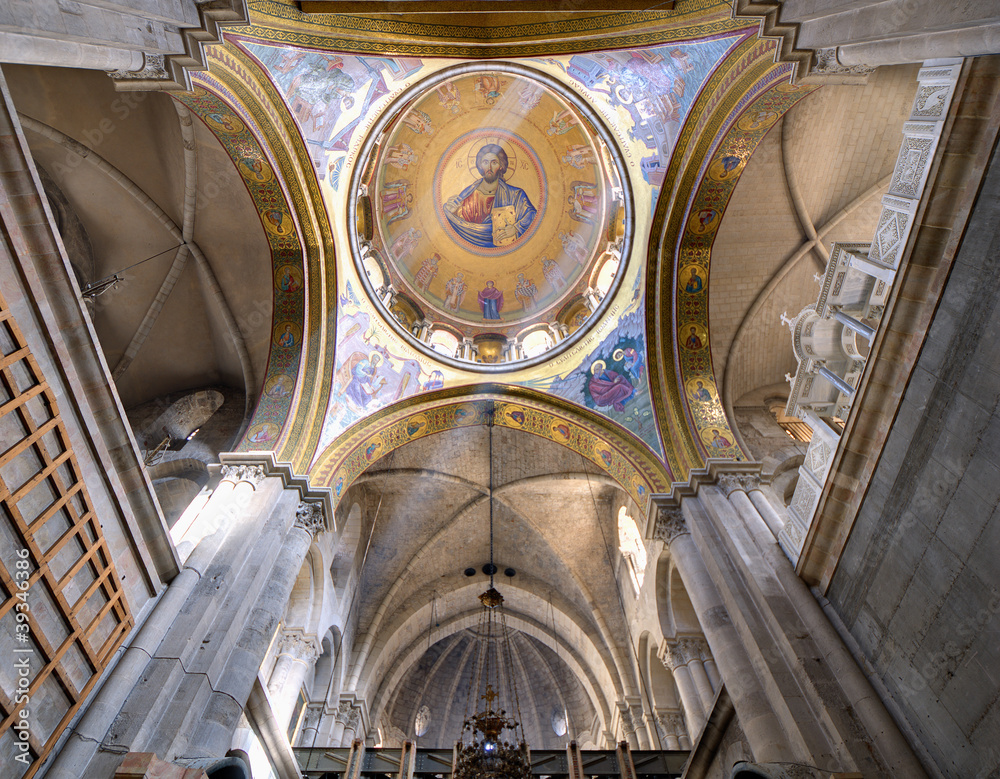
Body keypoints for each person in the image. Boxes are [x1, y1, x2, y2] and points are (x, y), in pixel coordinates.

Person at [444, 144, 536, 248]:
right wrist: (452, 213)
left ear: (501, 166)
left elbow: (532, 215)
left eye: (494, 163)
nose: (489, 167)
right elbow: (461, 227)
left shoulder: (516, 195)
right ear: (480, 166)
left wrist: (516, 228)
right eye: (485, 162)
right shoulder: (467, 196)